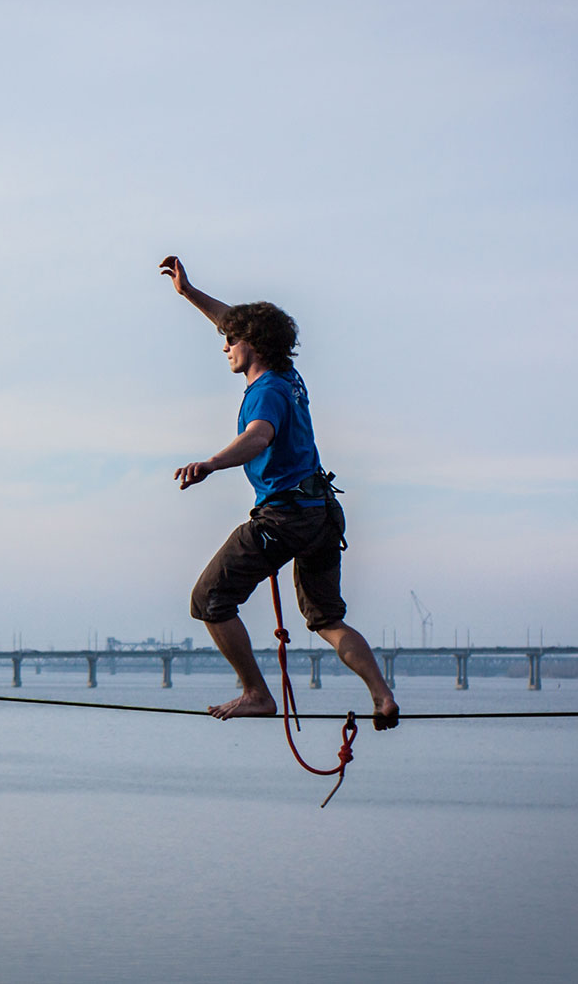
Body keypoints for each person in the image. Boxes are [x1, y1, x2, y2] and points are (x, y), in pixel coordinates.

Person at [160, 255, 399, 729]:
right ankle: (383, 696)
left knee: (208, 599)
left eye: (231, 339)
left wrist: (210, 464)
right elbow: (233, 321)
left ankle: (255, 692)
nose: (224, 344)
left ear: (255, 345)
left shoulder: (266, 391)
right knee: (327, 620)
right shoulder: (290, 378)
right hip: (323, 515)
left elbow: (259, 436)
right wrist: (190, 294)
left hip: (284, 518)